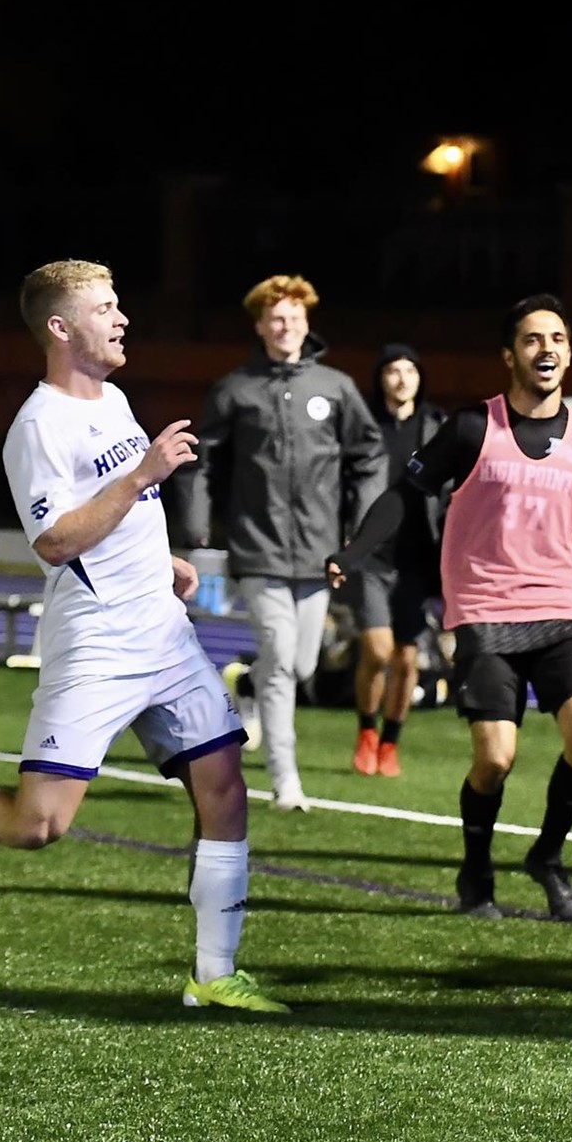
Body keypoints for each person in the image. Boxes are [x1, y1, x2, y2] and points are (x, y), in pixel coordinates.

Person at [0, 259, 285, 1013]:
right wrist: (142, 473)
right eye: (105, 308)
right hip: (97, 646)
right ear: (60, 327)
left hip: (164, 635)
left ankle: (212, 978)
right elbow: (54, 541)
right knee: (39, 824)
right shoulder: (36, 427)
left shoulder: (114, 398)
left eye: (120, 305)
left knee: (224, 790)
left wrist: (167, 560)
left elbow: (119, 515)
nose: (122, 319)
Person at [327, 294, 572, 921]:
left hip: (562, 611)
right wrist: (355, 554)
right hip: (486, 613)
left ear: (569, 354)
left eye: (558, 339)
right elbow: (405, 495)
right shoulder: (470, 429)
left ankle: (546, 855)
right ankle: (475, 869)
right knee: (494, 759)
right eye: (532, 340)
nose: (546, 349)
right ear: (509, 355)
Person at [176, 275, 385, 812]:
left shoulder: (335, 388)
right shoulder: (235, 389)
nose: (284, 326)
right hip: (258, 549)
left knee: (306, 665)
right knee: (285, 661)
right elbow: (201, 465)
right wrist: (200, 534)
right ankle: (285, 783)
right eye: (274, 318)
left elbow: (369, 455)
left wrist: (358, 529)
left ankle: (247, 686)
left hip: (319, 552)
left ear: (307, 323)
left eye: (293, 317)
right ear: (259, 326)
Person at [348, 343, 448, 779]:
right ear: (381, 378)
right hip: (372, 554)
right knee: (377, 649)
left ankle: (390, 742)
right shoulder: (362, 424)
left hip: (417, 556)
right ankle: (366, 731)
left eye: (411, 369)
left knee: (408, 659)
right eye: (393, 370)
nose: (403, 378)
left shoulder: (435, 425)